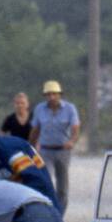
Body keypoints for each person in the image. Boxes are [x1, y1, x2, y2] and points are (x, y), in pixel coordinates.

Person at [29, 80, 80, 213]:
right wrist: (29, 147)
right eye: (48, 94)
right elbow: (35, 129)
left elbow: (75, 128)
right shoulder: (40, 109)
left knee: (62, 186)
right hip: (45, 150)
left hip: (63, 150)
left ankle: (60, 213)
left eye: (54, 94)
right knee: (46, 180)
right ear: (45, 96)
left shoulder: (70, 108)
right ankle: (46, 211)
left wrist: (72, 141)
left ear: (59, 95)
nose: (51, 97)